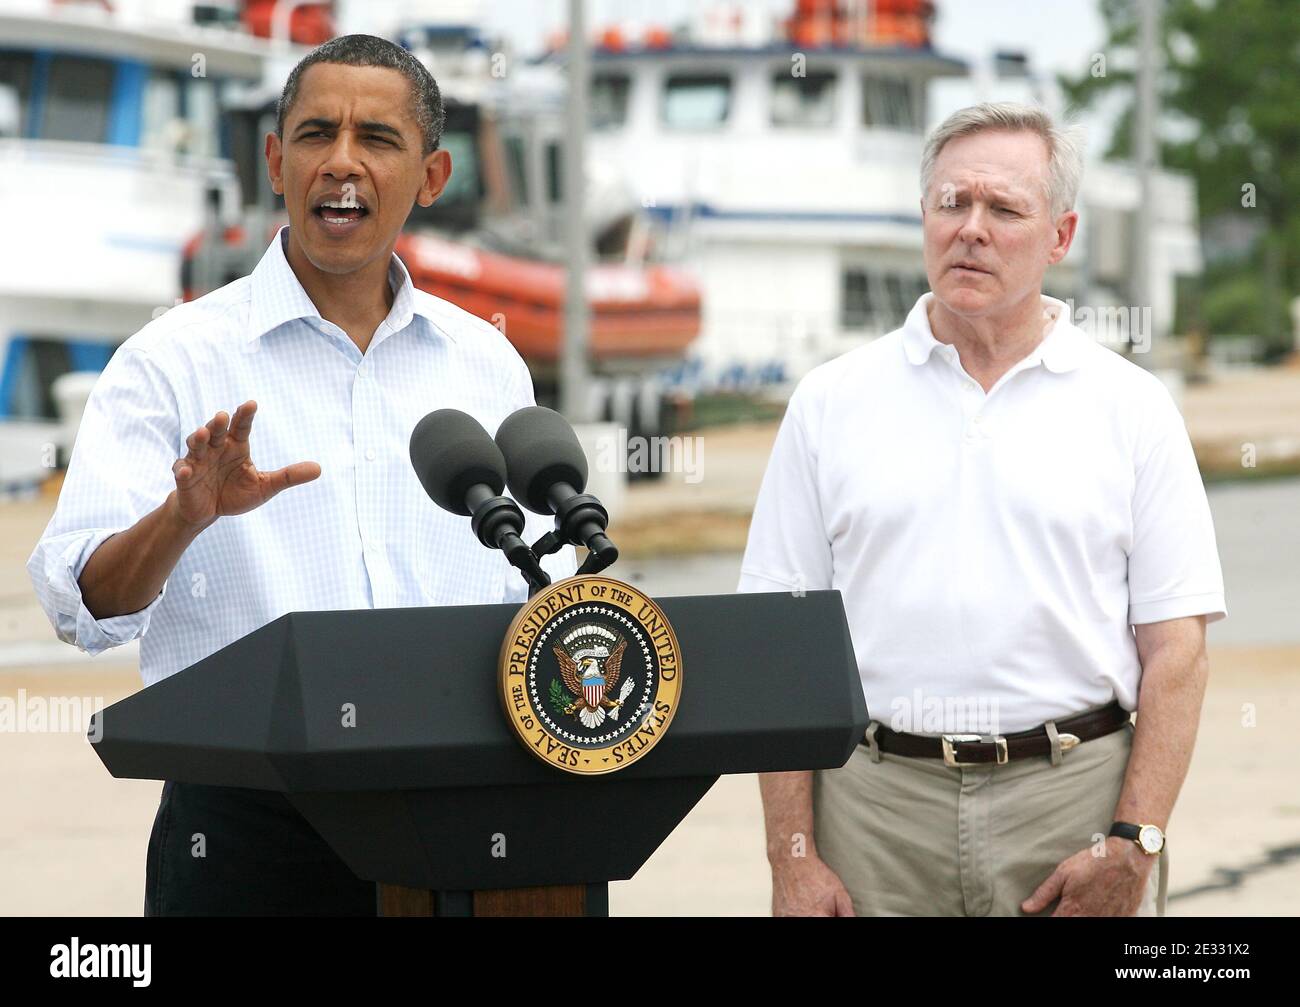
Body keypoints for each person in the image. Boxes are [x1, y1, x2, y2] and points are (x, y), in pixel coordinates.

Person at [27, 34, 575, 916]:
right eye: (317, 134)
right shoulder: (171, 360)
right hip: (246, 830)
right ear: (277, 161)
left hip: (458, 807)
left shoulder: (487, 365)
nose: (343, 163)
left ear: (431, 178)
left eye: (379, 140)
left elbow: (523, 592)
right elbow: (80, 605)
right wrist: (184, 515)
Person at [738, 102, 1226, 917]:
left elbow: (1177, 651)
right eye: (952, 203)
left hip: (1070, 806)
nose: (972, 229)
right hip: (874, 815)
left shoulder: (1134, 408)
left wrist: (1134, 841)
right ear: (924, 216)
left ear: (1060, 237)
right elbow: (778, 646)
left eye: (1004, 209)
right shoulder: (830, 403)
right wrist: (791, 857)